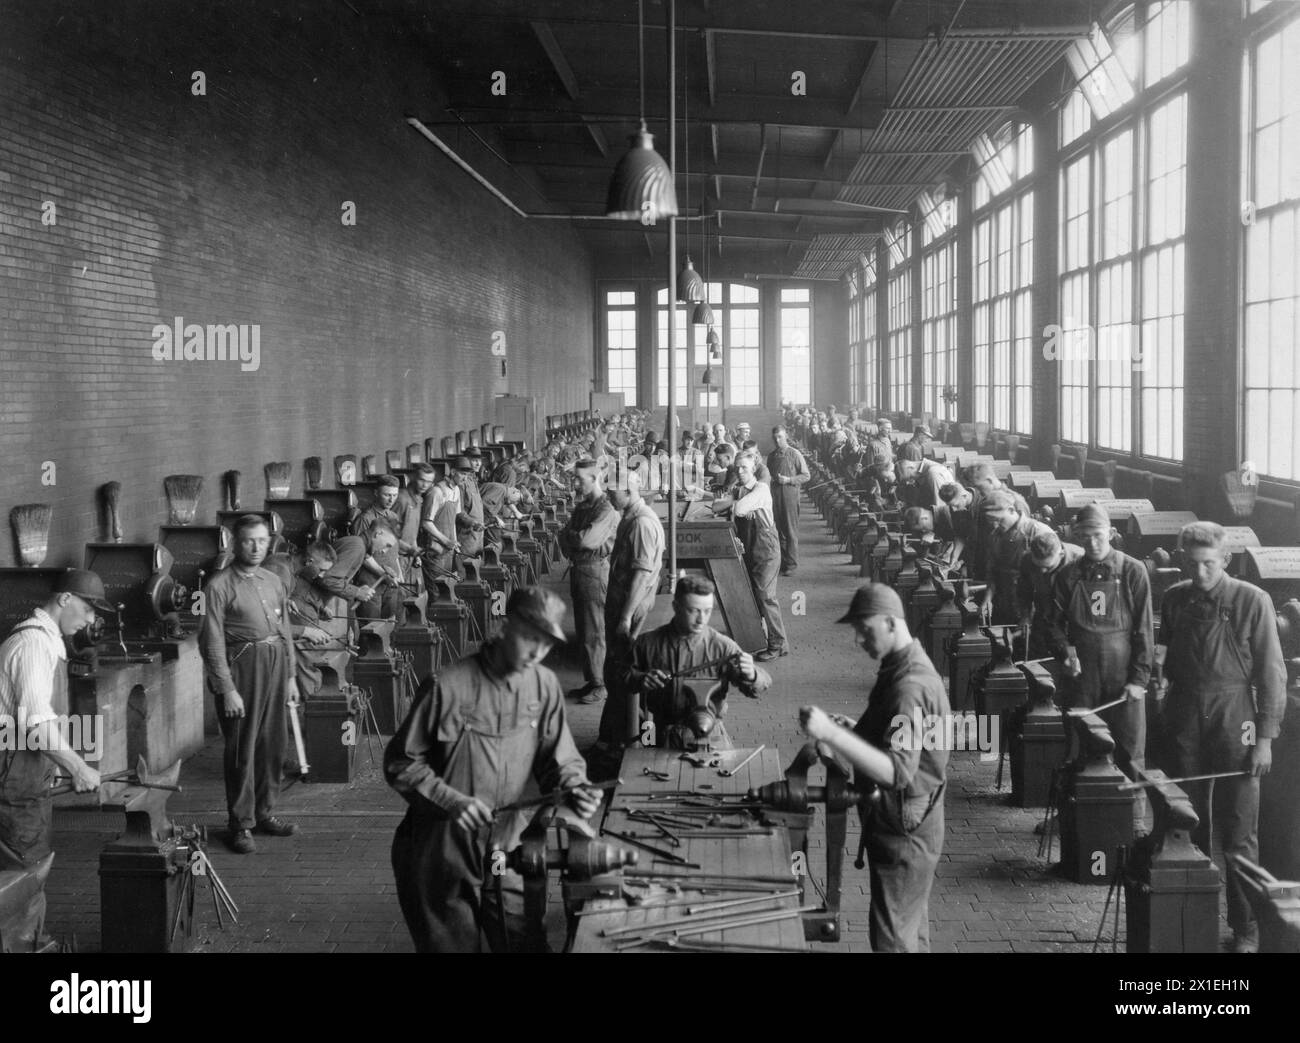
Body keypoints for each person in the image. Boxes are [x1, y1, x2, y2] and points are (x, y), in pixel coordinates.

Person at [385, 587, 602, 952]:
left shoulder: (543, 685)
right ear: (505, 625)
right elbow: (401, 762)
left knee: (523, 940)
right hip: (442, 847)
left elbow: (559, 758)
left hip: (509, 841)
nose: (537, 652)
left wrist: (574, 786)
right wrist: (450, 801)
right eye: (529, 638)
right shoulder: (447, 687)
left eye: (547, 645)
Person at [1158, 522, 1287, 954]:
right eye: (1191, 564)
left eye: (1209, 564)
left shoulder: (1254, 601)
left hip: (1237, 720)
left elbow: (1272, 675)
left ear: (1226, 559)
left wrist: (1265, 738)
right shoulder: (1175, 598)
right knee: (1186, 822)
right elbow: (1166, 657)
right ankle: (1191, 918)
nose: (1200, 573)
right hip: (1185, 718)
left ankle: (1246, 929)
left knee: (1239, 834)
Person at [799, 583, 949, 952]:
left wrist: (831, 733)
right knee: (910, 928)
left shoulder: (909, 687)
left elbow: (898, 771)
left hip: (904, 818)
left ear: (892, 623)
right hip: (918, 811)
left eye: (866, 630)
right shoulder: (904, 664)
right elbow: (900, 735)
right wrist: (856, 730)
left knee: (892, 939)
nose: (858, 640)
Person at [1046, 502, 1153, 834]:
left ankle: (1133, 821)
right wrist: (1065, 651)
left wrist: (1139, 678)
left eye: (1098, 535)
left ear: (1111, 533)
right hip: (1082, 675)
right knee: (1079, 746)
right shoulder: (1067, 574)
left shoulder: (1133, 571)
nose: (1092, 543)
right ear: (1077, 537)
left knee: (1129, 749)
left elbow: (1145, 631)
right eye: (1085, 536)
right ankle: (1071, 817)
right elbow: (1051, 624)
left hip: (1124, 676)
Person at [199, 515, 301, 854]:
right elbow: (211, 642)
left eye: (262, 541)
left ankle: (264, 813)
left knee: (274, 745)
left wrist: (290, 677)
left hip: (275, 663)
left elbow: (285, 629)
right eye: (249, 541)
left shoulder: (273, 580)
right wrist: (226, 688)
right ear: (234, 544)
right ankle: (240, 824)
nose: (257, 548)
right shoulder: (218, 586)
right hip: (242, 667)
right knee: (242, 748)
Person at [0, 570, 106, 871]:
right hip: (13, 773)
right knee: (24, 874)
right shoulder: (33, 644)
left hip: (24, 769)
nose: (89, 620)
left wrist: (53, 766)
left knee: (28, 866)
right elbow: (35, 722)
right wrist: (78, 767)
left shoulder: (47, 642)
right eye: (88, 609)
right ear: (65, 598)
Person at [623, 576, 771, 749]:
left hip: (711, 735)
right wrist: (640, 679)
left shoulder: (722, 647)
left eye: (707, 611)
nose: (702, 619)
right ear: (676, 607)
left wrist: (752, 674)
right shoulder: (647, 643)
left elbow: (758, 688)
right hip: (661, 735)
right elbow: (619, 676)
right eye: (694, 611)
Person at [596, 464, 665, 753]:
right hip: (625, 605)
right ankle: (616, 736)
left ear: (628, 491)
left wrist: (625, 617)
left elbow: (640, 573)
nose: (608, 496)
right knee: (617, 671)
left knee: (621, 671)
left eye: (612, 492)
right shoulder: (630, 516)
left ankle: (623, 740)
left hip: (629, 608)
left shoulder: (641, 523)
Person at [557, 458, 618, 705]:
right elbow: (565, 538)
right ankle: (591, 679)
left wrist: (571, 536)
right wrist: (572, 537)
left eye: (579, 479)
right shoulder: (584, 508)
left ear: (594, 479)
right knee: (584, 629)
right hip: (580, 570)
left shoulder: (605, 510)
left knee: (594, 630)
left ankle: (600, 684)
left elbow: (585, 541)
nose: (575, 483)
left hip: (595, 572)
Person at [730, 451, 788, 661]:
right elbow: (731, 504)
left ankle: (778, 644)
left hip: (767, 548)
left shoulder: (760, 489)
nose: (740, 471)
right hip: (753, 546)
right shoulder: (741, 489)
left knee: (766, 596)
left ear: (754, 468)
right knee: (756, 594)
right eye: (737, 468)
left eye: (744, 467)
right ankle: (758, 638)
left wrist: (735, 504)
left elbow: (739, 509)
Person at [1015, 528, 1083, 683]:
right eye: (1038, 567)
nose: (1042, 572)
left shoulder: (1080, 561)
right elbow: (1023, 592)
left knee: (1072, 669)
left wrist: (1071, 654)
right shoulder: (1027, 559)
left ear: (1061, 554)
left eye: (1047, 567)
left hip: (1071, 626)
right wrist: (1025, 617)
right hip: (1042, 619)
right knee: (1039, 672)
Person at [978, 490, 1051, 626]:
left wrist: (1029, 613)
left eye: (998, 520)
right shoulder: (995, 536)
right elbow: (992, 572)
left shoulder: (1038, 532)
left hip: (1035, 608)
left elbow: (1050, 580)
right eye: (990, 521)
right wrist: (987, 599)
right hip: (1005, 603)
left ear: (1011, 510)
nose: (994, 525)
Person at [767, 425, 810, 577]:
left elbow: (806, 475)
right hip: (775, 496)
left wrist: (789, 479)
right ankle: (783, 562)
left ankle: (791, 564)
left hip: (790, 496)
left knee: (790, 531)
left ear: (786, 437)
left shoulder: (794, 454)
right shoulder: (772, 456)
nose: (777, 440)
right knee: (778, 530)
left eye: (780, 437)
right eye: (775, 437)